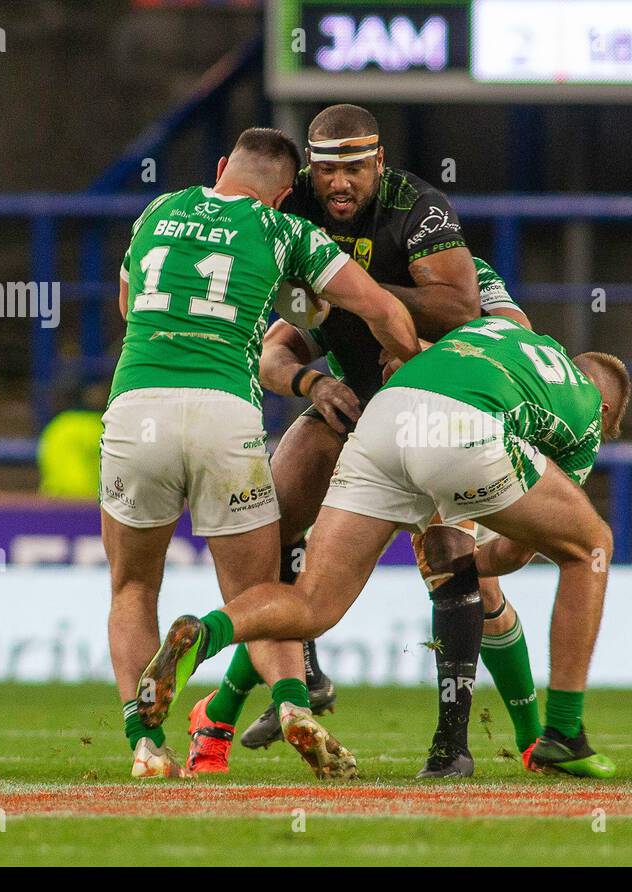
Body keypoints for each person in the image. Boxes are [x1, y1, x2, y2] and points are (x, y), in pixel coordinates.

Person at [140, 317, 632, 778]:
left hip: (382, 416)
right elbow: (518, 550)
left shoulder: (499, 331)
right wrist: (472, 564)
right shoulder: (586, 408)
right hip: (463, 431)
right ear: (607, 411)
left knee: (311, 604)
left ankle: (205, 632)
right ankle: (563, 732)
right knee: (591, 546)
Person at [103, 127, 418, 780]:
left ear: (221, 167)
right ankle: (294, 704)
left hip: (140, 406)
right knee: (259, 587)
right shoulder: (285, 233)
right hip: (224, 415)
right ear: (282, 196)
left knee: (134, 584)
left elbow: (130, 304)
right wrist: (410, 364)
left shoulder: (158, 211)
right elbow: (379, 306)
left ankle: (145, 745)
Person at [205, 103, 493, 777]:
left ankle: (454, 746)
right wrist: (313, 385)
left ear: (379, 164)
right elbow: (274, 354)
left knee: (454, 559)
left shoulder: (416, 207)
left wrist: (353, 291)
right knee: (264, 522)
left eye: (354, 171)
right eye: (327, 170)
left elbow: (459, 307)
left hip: (431, 402)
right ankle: (300, 679)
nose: (339, 185)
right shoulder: (290, 203)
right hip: (354, 405)